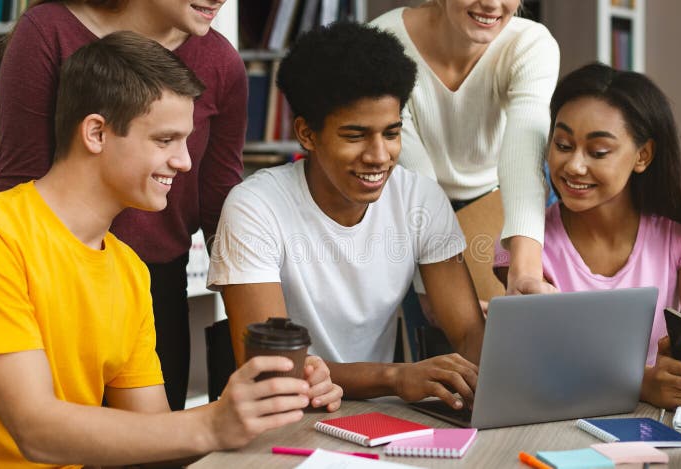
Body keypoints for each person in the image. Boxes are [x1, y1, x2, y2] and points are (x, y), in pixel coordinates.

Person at [0, 32, 339, 468]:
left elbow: (153, 430)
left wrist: (267, 403)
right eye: (165, 140)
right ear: (96, 133)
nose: (185, 162)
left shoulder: (128, 269)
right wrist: (214, 422)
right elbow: (37, 431)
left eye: (186, 141)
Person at [208, 22, 486, 410]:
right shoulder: (255, 207)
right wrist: (395, 375)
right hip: (283, 412)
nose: (378, 156)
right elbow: (273, 369)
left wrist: (484, 377)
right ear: (307, 134)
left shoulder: (420, 199)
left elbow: (470, 332)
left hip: (379, 412)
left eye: (391, 133)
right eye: (355, 136)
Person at [0, 0, 245, 410]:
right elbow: (18, 184)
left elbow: (221, 208)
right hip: (51, 278)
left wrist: (260, 343)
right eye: (166, 140)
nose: (183, 160)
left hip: (152, 284)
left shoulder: (221, 60)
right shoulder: (49, 29)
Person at [494, 63, 681, 410]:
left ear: (643, 155)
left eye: (598, 152)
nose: (574, 166)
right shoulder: (529, 247)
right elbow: (528, 370)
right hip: (554, 427)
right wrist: (641, 382)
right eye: (562, 144)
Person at [371, 0, 560, 297]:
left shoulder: (530, 44)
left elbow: (524, 159)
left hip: (506, 194)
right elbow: (415, 174)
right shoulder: (382, 42)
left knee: (523, 324)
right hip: (414, 198)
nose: (491, 4)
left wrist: (524, 271)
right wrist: (428, 286)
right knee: (436, 329)